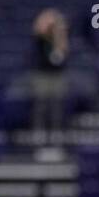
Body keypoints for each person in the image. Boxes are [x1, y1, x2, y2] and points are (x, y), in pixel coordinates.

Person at [30, 8, 69, 138]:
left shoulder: (59, 37)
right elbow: (37, 29)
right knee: (41, 105)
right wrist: (47, 17)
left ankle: (56, 134)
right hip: (42, 75)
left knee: (56, 106)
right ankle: (39, 134)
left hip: (57, 75)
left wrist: (59, 30)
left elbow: (63, 50)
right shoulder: (41, 38)